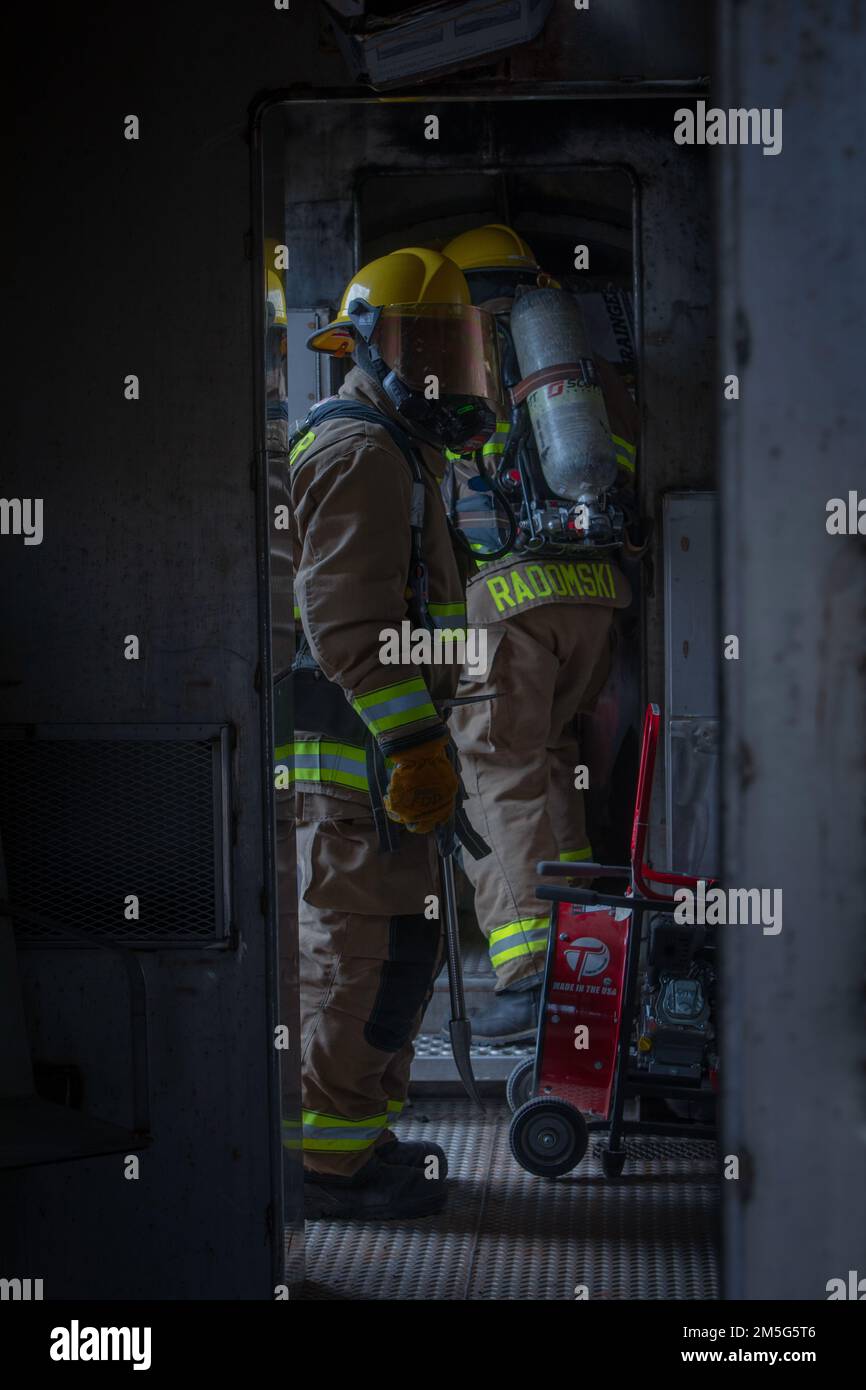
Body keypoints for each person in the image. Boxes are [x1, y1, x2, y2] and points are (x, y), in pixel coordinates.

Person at [285, 246, 502, 1218]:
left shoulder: (401, 449)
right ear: (362, 344)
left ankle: (359, 1138)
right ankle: (322, 1170)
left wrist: (425, 742)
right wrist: (414, 744)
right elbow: (343, 625)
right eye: (419, 346)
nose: (439, 373)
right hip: (358, 766)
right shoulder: (359, 452)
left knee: (402, 959)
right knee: (356, 959)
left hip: (396, 759)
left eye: (447, 348)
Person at [440, 224, 639, 1043]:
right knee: (551, 764)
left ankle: (526, 975)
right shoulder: (576, 363)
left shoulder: (460, 351)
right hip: (596, 595)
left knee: (496, 773)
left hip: (507, 598)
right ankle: (584, 961)